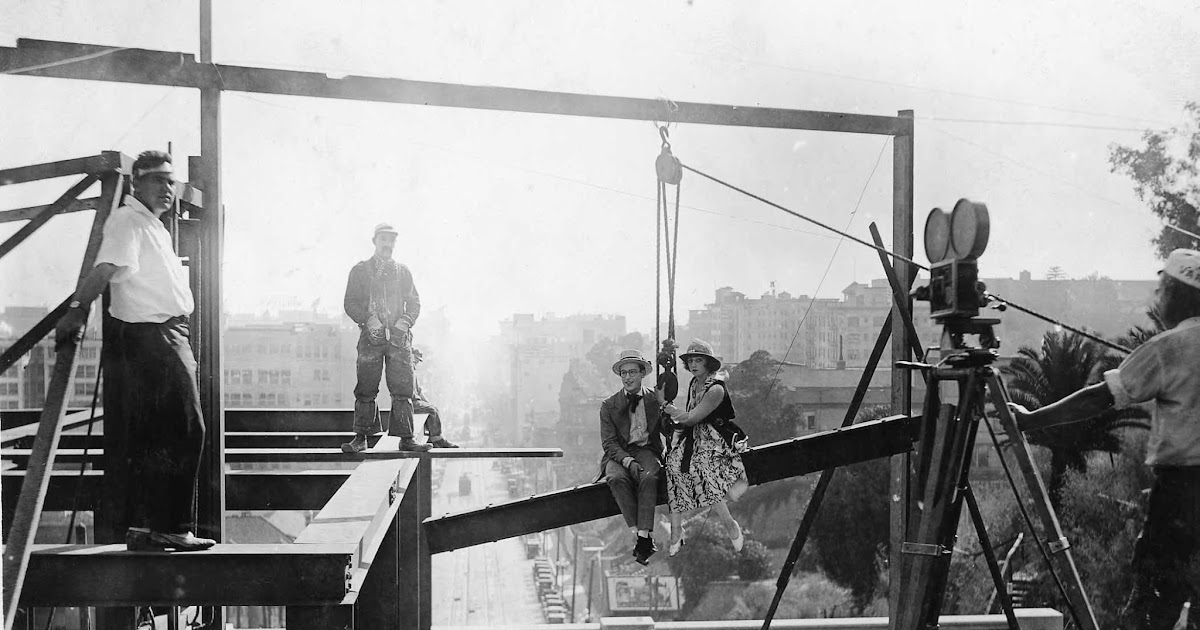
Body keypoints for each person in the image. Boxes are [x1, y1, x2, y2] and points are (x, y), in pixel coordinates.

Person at [1008, 249, 1200, 630]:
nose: (1157, 297)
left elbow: (1099, 397)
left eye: (1162, 288)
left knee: (1152, 607)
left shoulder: (1170, 347)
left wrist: (1031, 420)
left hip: (1180, 494)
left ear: (1179, 294)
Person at [55, 150, 215, 551]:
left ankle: (146, 527)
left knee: (156, 433)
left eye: (171, 181)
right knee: (187, 428)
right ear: (136, 182)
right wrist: (77, 308)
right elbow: (106, 268)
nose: (167, 188)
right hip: (156, 335)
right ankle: (172, 526)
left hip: (161, 334)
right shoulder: (128, 221)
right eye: (158, 179)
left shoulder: (150, 225)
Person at [657, 339, 748, 557]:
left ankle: (729, 523)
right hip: (694, 436)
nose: (694, 365)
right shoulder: (693, 384)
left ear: (708, 363)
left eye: (698, 360)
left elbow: (691, 417)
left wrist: (665, 405)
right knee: (673, 467)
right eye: (691, 361)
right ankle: (676, 530)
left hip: (718, 438)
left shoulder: (715, 389)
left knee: (702, 469)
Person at [341, 223, 427, 453]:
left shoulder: (403, 272)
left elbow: (415, 303)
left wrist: (405, 321)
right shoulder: (360, 271)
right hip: (371, 338)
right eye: (383, 240)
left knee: (403, 388)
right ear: (375, 242)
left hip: (399, 339)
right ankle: (361, 437)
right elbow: (350, 303)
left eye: (391, 240)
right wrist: (368, 319)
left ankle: (406, 438)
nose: (388, 244)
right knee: (366, 386)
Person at [599, 349, 666, 565]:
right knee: (616, 478)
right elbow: (609, 443)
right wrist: (627, 461)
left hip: (646, 450)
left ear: (642, 374)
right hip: (618, 454)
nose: (627, 378)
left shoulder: (655, 399)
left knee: (649, 476)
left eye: (632, 372)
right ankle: (641, 536)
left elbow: (669, 429)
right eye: (624, 373)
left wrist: (667, 406)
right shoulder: (609, 405)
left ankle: (643, 538)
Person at [412, 348, 457, 448]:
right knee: (432, 411)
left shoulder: (413, 372)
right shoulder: (407, 371)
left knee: (433, 408)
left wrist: (427, 403)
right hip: (410, 403)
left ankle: (435, 437)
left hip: (416, 401)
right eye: (416, 359)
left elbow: (419, 391)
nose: (417, 362)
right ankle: (437, 440)